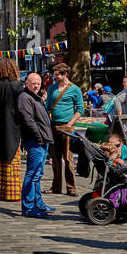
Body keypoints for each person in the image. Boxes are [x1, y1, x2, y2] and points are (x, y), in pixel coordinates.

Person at [16, 71, 54, 218]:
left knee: (38, 174)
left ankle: (38, 203)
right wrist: (39, 137)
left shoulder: (36, 97)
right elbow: (28, 120)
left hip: (43, 139)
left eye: (38, 83)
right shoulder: (25, 97)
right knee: (32, 174)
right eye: (33, 83)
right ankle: (28, 207)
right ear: (27, 83)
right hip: (35, 140)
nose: (36, 85)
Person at [0, 60, 24, 201]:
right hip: (14, 126)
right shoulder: (18, 86)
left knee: (0, 158)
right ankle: (13, 193)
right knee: (13, 159)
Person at [45, 62, 84, 197]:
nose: (54, 77)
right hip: (53, 125)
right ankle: (56, 187)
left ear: (65, 74)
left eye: (57, 75)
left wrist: (70, 123)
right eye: (54, 74)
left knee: (67, 158)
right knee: (55, 159)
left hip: (67, 126)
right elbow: (47, 106)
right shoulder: (52, 88)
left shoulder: (74, 89)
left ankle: (71, 187)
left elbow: (80, 109)